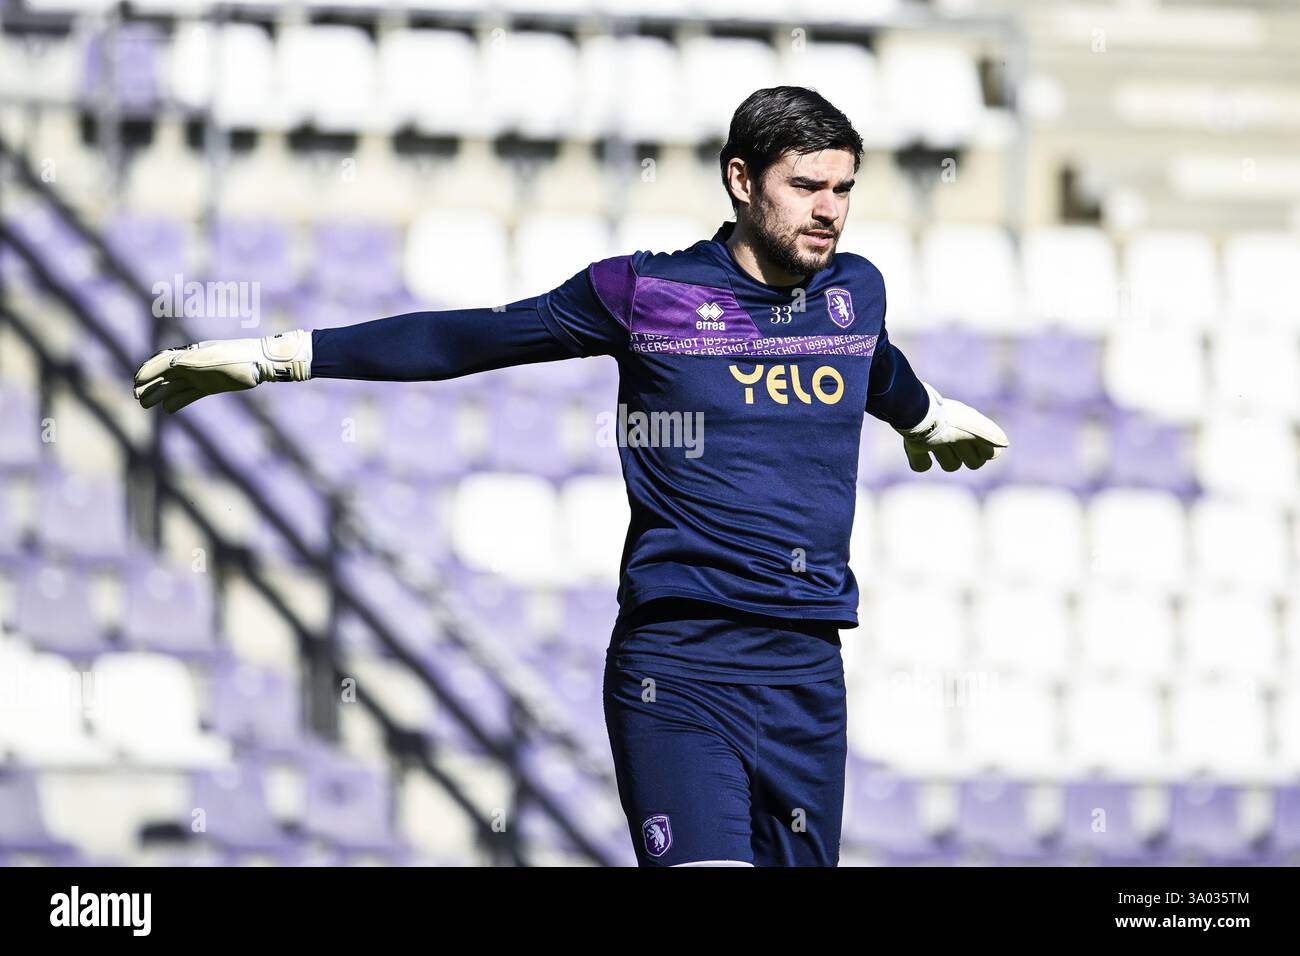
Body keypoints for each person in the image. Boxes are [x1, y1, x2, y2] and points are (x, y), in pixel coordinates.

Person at [134, 86, 1008, 866]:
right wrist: (280, 356)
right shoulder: (647, 294)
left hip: (807, 670)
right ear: (742, 181)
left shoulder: (855, 291)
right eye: (806, 186)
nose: (830, 210)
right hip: (679, 666)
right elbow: (470, 337)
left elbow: (872, 361)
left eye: (844, 189)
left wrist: (921, 412)